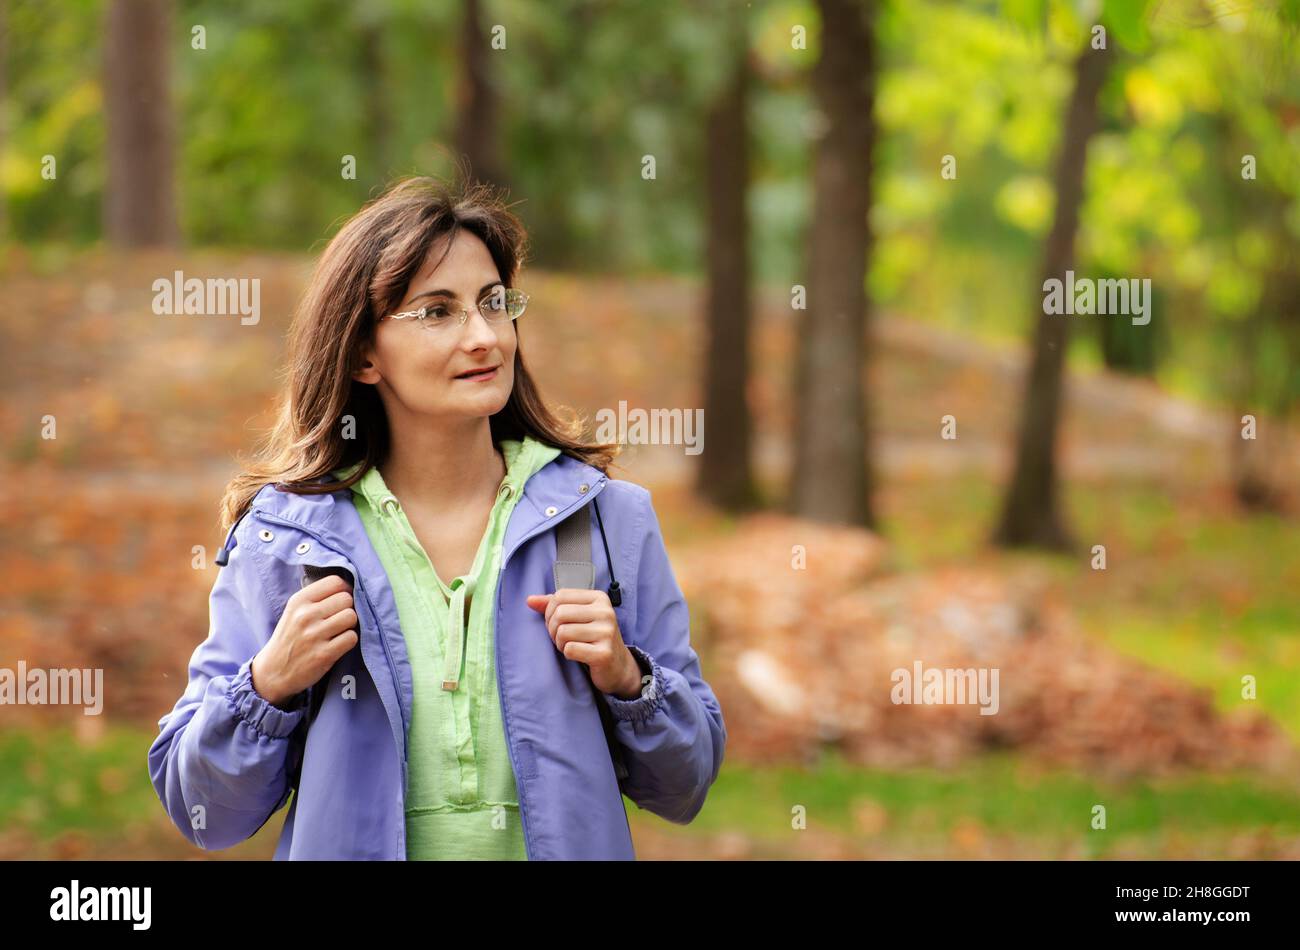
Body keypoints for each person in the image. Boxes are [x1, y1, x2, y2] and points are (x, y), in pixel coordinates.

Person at [147, 173, 726, 859]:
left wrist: (631, 681)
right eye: (437, 312)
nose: (483, 336)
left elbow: (686, 785)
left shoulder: (602, 521)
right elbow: (204, 811)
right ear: (364, 355)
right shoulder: (290, 540)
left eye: (493, 303)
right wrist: (268, 682)